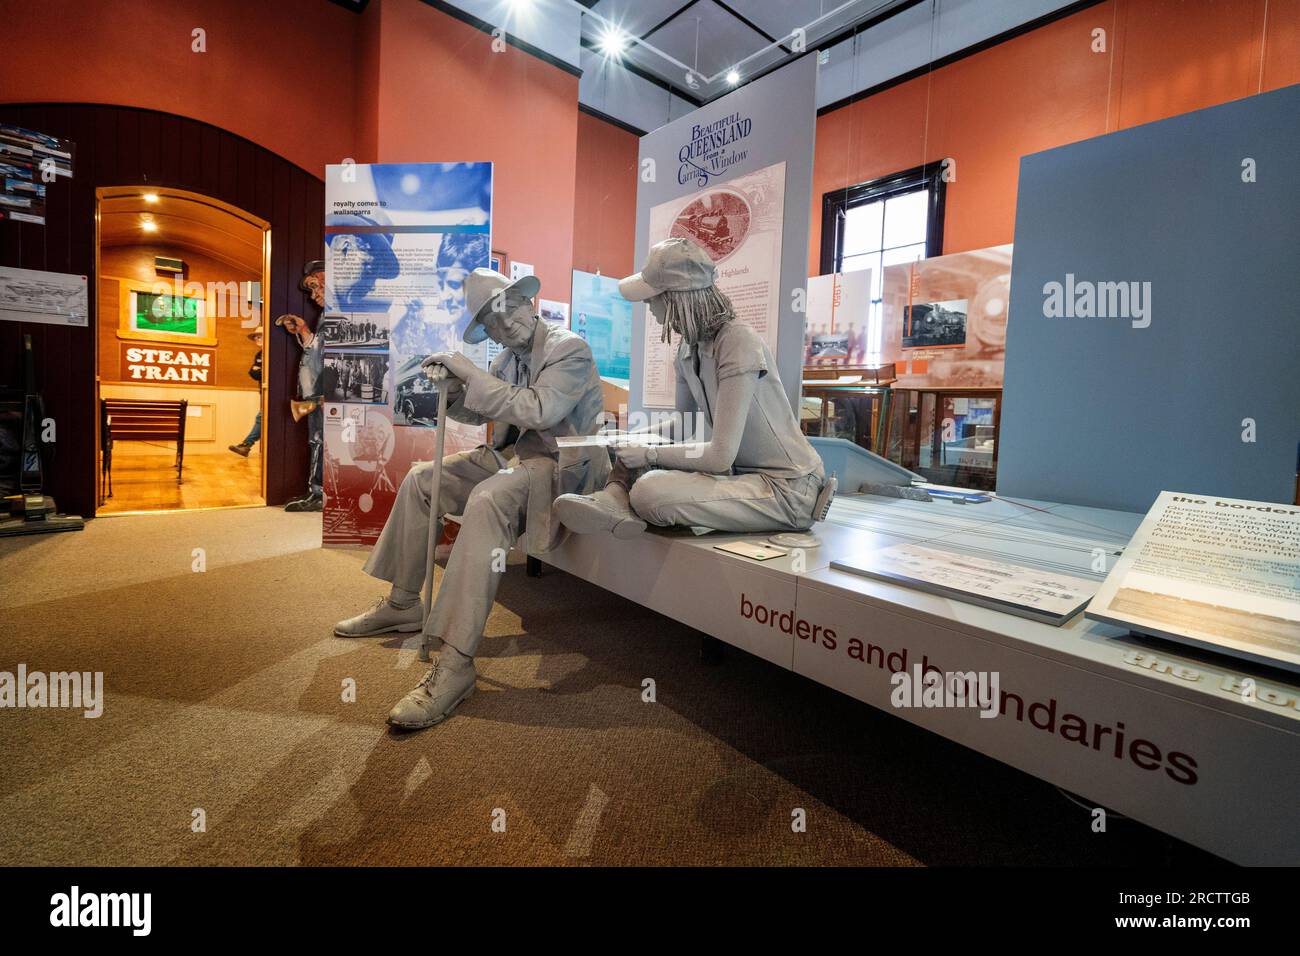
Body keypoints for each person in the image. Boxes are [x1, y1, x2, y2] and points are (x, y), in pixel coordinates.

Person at [334, 268, 608, 731]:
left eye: (505, 311)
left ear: (526, 302)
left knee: (487, 499)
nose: (502, 326)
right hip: (513, 456)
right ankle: (404, 603)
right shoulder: (505, 361)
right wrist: (454, 386)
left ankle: (456, 664)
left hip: (563, 464)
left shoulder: (568, 349)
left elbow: (540, 409)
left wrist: (470, 374)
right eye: (490, 320)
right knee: (425, 478)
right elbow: (483, 406)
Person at [555, 237, 826, 538]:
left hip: (787, 488)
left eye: (652, 297)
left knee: (650, 491)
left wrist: (649, 454)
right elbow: (684, 426)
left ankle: (621, 500)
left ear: (675, 298)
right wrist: (631, 438)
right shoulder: (688, 349)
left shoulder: (738, 341)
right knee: (643, 463)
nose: (648, 305)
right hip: (741, 477)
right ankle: (615, 498)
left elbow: (719, 455)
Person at [276, 313, 325, 512]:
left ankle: (319, 493)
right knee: (316, 441)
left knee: (320, 442)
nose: (314, 294)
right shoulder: (323, 315)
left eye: (317, 286)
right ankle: (315, 491)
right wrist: (304, 331)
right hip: (315, 393)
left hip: (322, 393)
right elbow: (315, 351)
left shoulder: (333, 314)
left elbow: (323, 354)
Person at [229, 329, 263, 458]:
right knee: (262, 419)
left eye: (259, 336)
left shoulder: (273, 352)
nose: (256, 339)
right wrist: (258, 370)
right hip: (263, 392)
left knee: (261, 418)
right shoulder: (259, 355)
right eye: (255, 337)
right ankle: (246, 445)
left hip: (273, 393)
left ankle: (246, 445)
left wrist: (259, 370)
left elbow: (263, 372)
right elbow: (253, 374)